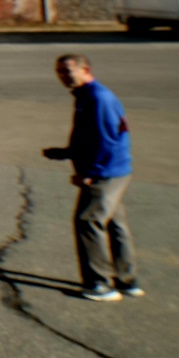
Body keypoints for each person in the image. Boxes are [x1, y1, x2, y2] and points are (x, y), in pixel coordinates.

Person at [42, 54, 141, 302]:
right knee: (114, 224)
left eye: (68, 71)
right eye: (59, 72)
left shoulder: (98, 97)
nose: (63, 77)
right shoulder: (86, 96)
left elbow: (106, 141)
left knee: (88, 220)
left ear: (86, 69)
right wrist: (65, 153)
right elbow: (90, 137)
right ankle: (127, 280)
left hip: (106, 171)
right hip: (111, 169)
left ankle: (100, 284)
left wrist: (88, 173)